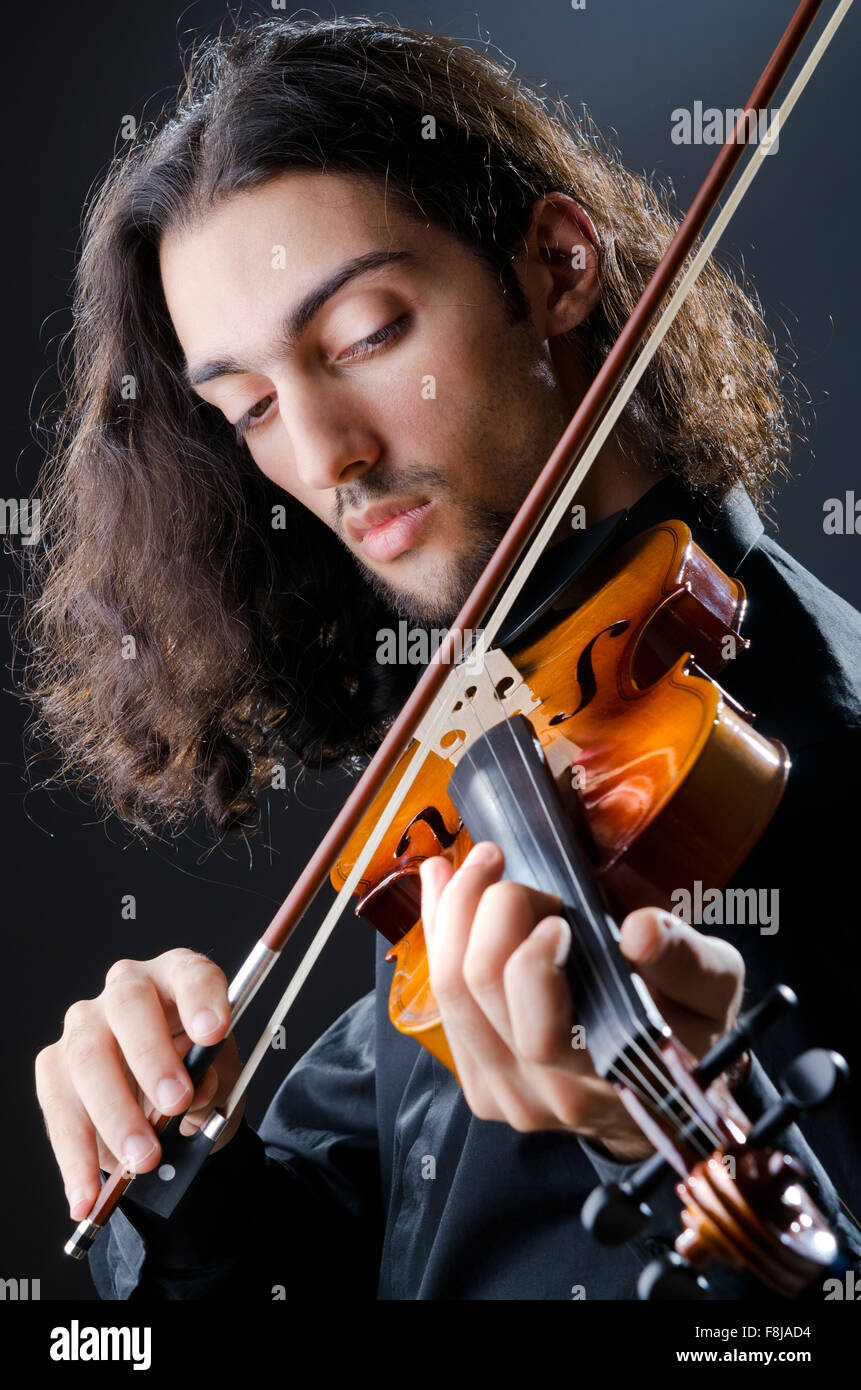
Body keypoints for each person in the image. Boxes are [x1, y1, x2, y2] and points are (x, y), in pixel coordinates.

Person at [30, 16, 861, 1300]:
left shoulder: (816, 743)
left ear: (557, 266)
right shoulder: (493, 746)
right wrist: (182, 1160)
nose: (322, 455)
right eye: (247, 407)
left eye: (365, 335)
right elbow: (366, 1235)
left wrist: (669, 1159)